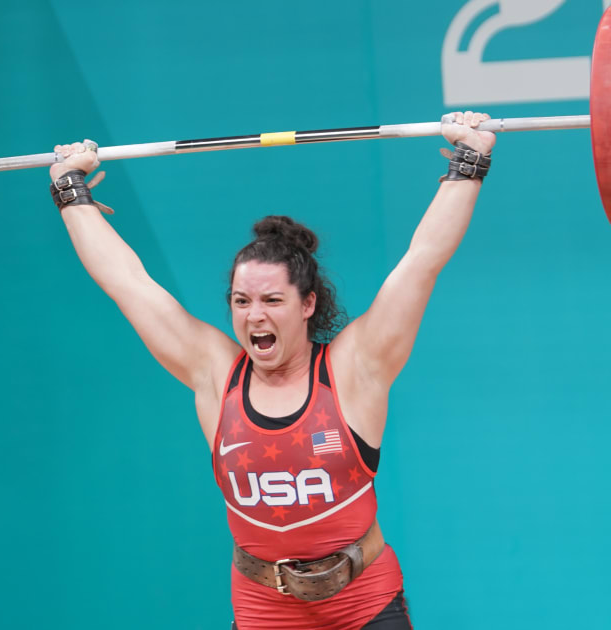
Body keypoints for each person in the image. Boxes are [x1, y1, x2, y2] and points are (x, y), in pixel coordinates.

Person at [47, 111, 496, 629]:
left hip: (364, 604)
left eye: (271, 300)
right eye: (241, 300)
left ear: (307, 304)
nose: (253, 315)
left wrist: (471, 159)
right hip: (265, 610)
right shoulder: (215, 373)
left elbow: (421, 261)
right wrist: (69, 190)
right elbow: (128, 283)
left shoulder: (356, 366)